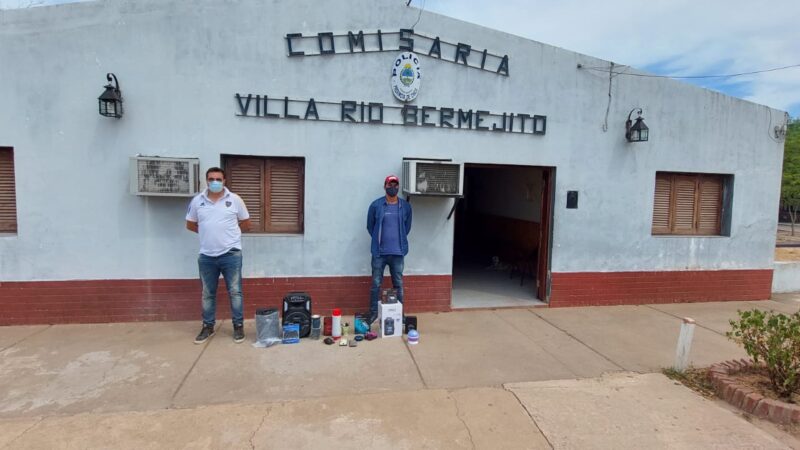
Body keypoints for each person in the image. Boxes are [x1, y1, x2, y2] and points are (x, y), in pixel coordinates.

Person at [186, 167, 251, 344]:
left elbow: (246, 223)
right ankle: (208, 327)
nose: (215, 182)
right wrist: (207, 233)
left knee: (235, 292)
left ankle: (238, 326)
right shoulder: (197, 201)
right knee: (207, 293)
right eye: (211, 179)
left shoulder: (235, 199)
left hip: (231, 254)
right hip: (206, 256)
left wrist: (230, 236)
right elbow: (190, 224)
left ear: (224, 181)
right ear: (206, 180)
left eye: (218, 179)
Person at [366, 174, 412, 324]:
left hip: (398, 253)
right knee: (376, 284)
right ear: (384, 186)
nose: (392, 187)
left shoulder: (405, 207)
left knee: (398, 284)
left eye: (395, 185)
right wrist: (378, 241)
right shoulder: (376, 205)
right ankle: (373, 313)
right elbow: (370, 227)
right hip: (379, 253)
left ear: (398, 187)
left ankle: (400, 315)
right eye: (389, 185)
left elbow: (407, 228)